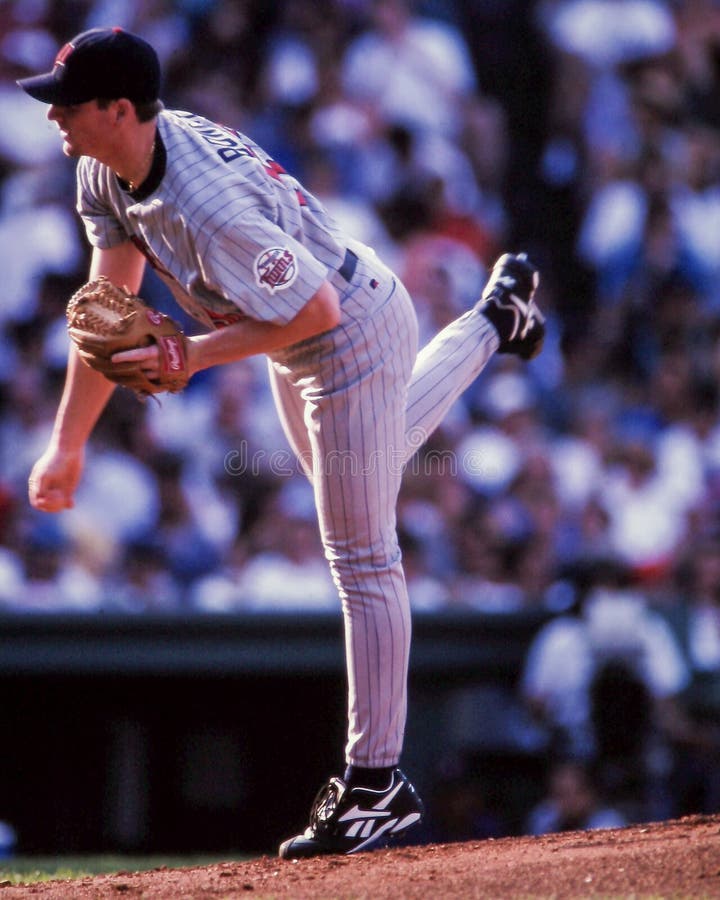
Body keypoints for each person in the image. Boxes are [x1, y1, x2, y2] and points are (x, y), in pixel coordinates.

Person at [18, 27, 545, 858]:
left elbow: (314, 315)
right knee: (363, 471)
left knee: (362, 553)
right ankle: (496, 321)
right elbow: (103, 306)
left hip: (347, 330)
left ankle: (375, 782)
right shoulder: (106, 165)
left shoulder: (206, 207)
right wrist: (69, 445)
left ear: (120, 110)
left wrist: (188, 354)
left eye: (69, 103)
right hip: (291, 329)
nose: (54, 116)